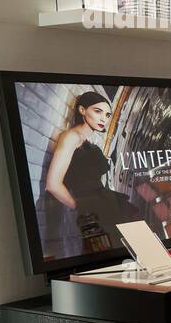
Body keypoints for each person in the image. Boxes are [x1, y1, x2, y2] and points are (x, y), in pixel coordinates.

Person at [43, 91, 140, 258]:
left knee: (126, 251)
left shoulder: (88, 142)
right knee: (107, 258)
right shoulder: (71, 137)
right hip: (91, 211)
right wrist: (81, 207)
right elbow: (53, 184)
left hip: (103, 204)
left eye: (108, 114)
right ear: (82, 110)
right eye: (97, 111)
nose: (104, 118)